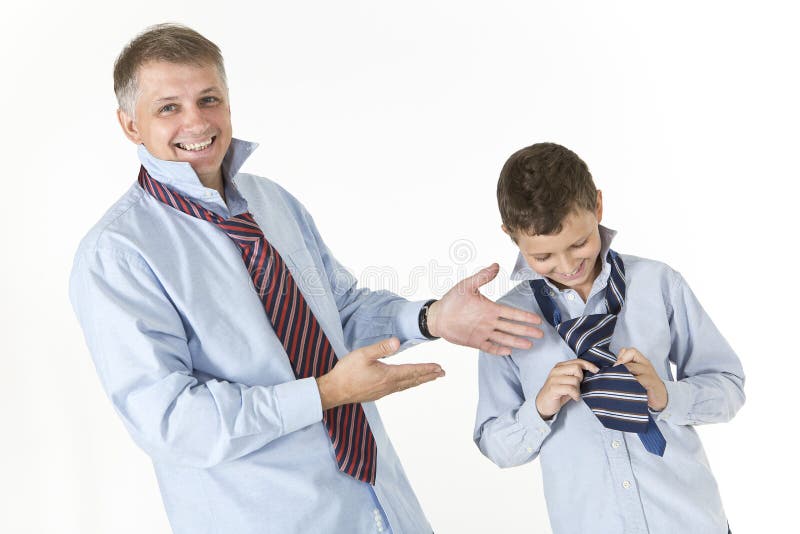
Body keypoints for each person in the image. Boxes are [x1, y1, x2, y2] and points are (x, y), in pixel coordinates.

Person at [69, 24, 543, 534]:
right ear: (130, 125)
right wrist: (324, 394)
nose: (196, 121)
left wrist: (430, 318)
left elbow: (336, 313)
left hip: (379, 505)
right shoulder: (118, 254)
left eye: (210, 99)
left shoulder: (270, 202)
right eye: (169, 107)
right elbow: (174, 422)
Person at [473, 142, 745, 534]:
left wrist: (667, 395)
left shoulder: (658, 284)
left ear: (598, 207)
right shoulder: (505, 323)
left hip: (688, 519)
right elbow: (495, 445)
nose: (567, 266)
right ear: (511, 235)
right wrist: (540, 408)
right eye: (544, 257)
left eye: (579, 243)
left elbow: (729, 386)